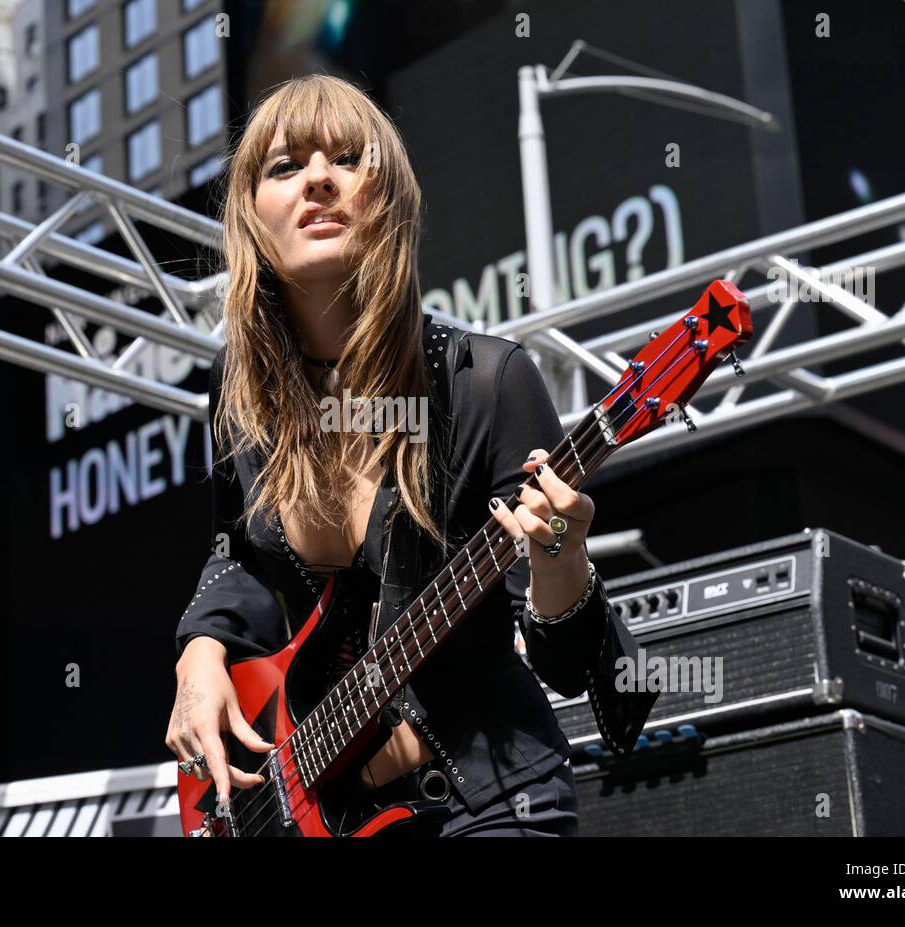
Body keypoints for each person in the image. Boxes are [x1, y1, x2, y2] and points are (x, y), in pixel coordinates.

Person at [166, 74, 657, 837]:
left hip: (488, 797)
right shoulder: (240, 395)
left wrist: (561, 555)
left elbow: (573, 666)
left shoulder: (488, 383)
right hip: (334, 811)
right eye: (285, 165)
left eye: (349, 158)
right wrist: (199, 655)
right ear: (251, 220)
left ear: (387, 199)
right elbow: (240, 555)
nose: (320, 178)